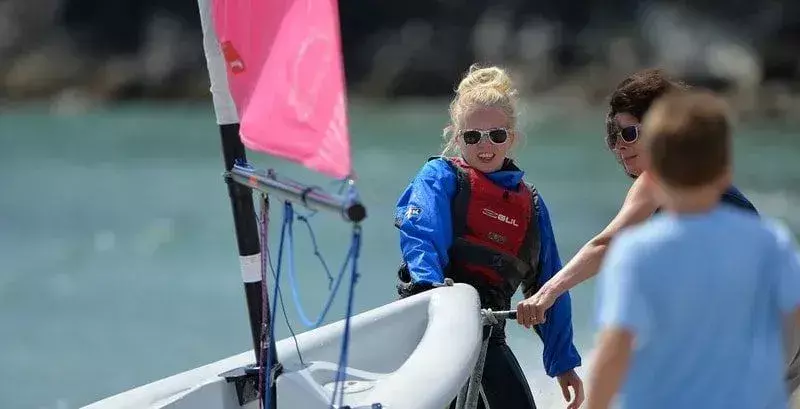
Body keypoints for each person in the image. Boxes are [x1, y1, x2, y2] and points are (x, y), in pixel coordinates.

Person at [515, 68, 800, 393]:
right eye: (613, 135)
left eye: (630, 133)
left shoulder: (659, 181)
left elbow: (605, 244)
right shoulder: (697, 184)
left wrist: (547, 293)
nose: (620, 146)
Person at [584, 89, 800, 409]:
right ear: (726, 170)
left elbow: (614, 349)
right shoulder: (772, 242)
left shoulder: (635, 253)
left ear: (654, 175)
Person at [394, 64, 584, 409]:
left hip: (488, 336)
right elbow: (420, 236)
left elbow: (550, 282)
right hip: (431, 334)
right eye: (472, 136)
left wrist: (563, 362)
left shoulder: (532, 205)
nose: (485, 146)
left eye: (496, 135)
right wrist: (435, 297)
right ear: (456, 137)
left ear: (511, 137)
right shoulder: (439, 176)